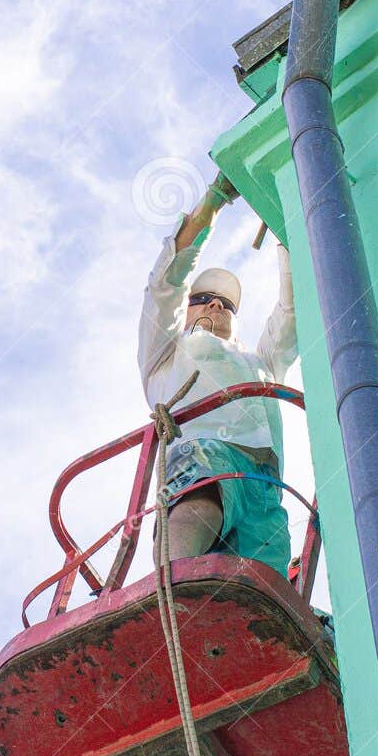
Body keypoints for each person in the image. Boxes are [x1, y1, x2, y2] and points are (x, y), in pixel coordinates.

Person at [138, 171, 299, 577]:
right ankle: (169, 595)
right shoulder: (167, 351)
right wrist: (213, 200)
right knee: (200, 496)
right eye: (203, 299)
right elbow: (167, 283)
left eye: (226, 304)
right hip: (207, 450)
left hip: (264, 483)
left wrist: (286, 229)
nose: (215, 306)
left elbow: (292, 316)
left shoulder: (260, 362)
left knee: (263, 578)